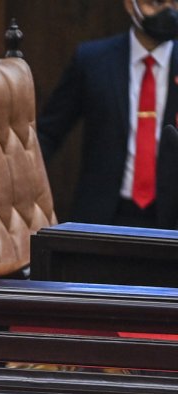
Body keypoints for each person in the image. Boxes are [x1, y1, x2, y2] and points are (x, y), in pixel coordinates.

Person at [38, 0, 178, 228]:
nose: (167, 11)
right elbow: (48, 135)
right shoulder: (92, 60)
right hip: (103, 217)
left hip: (171, 222)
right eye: (155, 2)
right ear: (130, 5)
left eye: (174, 3)